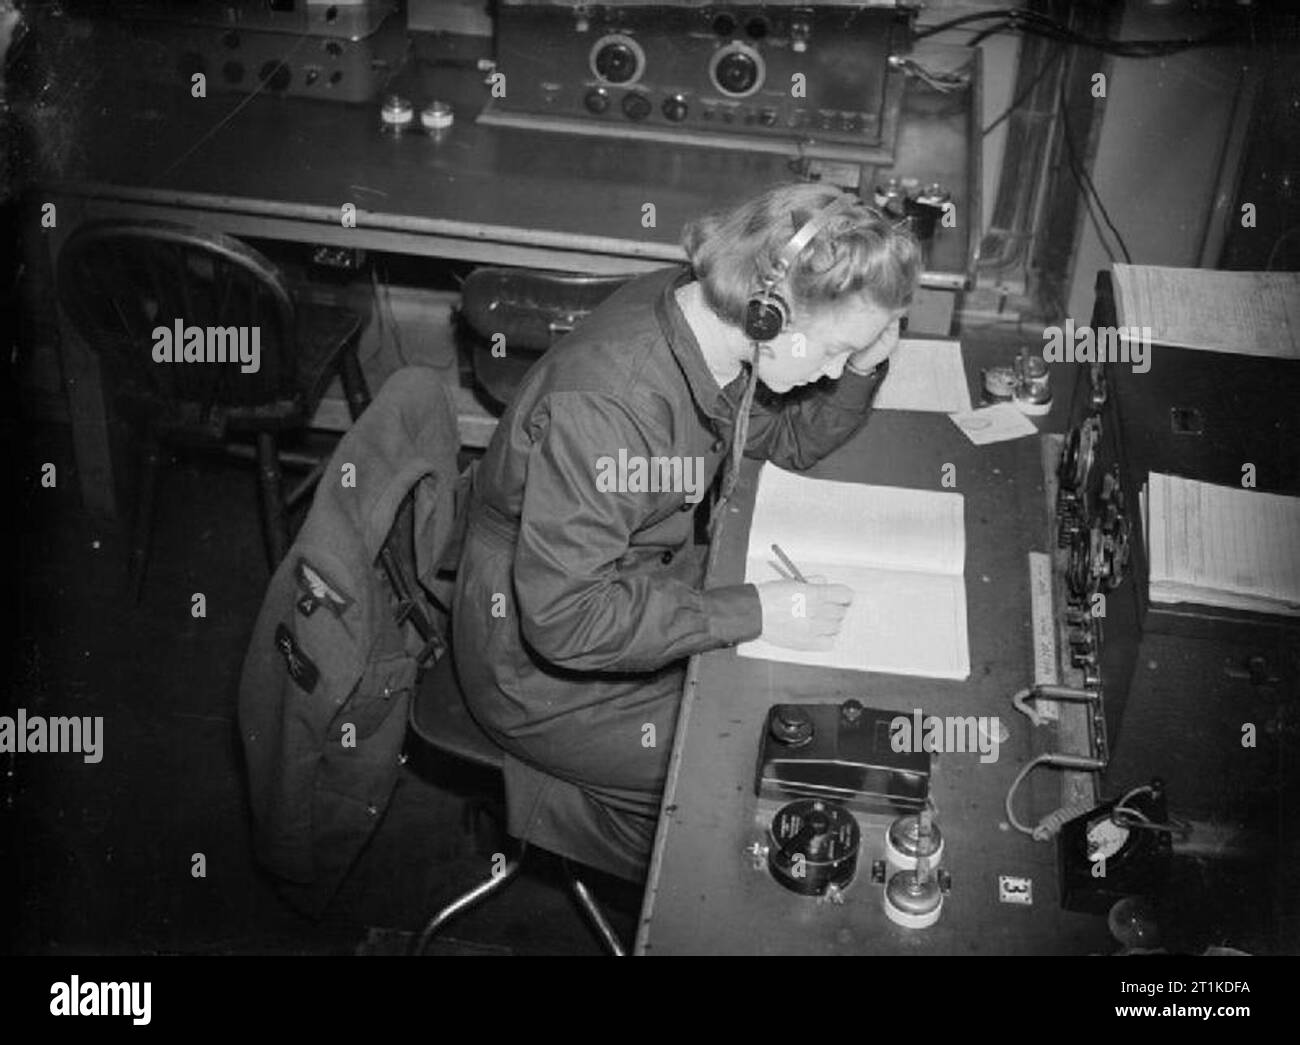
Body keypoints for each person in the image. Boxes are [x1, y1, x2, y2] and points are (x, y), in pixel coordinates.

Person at [451, 182, 922, 882]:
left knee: (793, 706)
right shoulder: (613, 408)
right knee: (756, 766)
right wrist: (754, 611)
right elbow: (565, 619)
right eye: (832, 349)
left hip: (640, 579)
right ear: (772, 313)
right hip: (537, 669)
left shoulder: (711, 324)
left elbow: (783, 440)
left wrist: (860, 363)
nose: (830, 370)